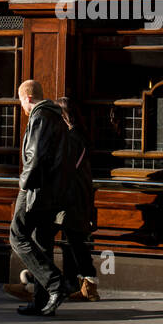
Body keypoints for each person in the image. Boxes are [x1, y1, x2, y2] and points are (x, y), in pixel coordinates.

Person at [8, 80, 76, 316]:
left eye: (21, 102)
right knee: (41, 242)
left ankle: (57, 283)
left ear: (26, 97)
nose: (22, 107)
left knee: (17, 236)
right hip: (52, 192)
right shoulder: (56, 117)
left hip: (35, 190)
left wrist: (24, 185)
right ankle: (41, 301)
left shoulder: (40, 116)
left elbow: (34, 156)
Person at [55, 97, 99, 302]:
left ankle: (84, 285)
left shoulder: (72, 138)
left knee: (74, 241)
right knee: (73, 241)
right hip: (77, 196)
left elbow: (65, 168)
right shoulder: (78, 136)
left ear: (63, 117)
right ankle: (78, 284)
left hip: (72, 197)